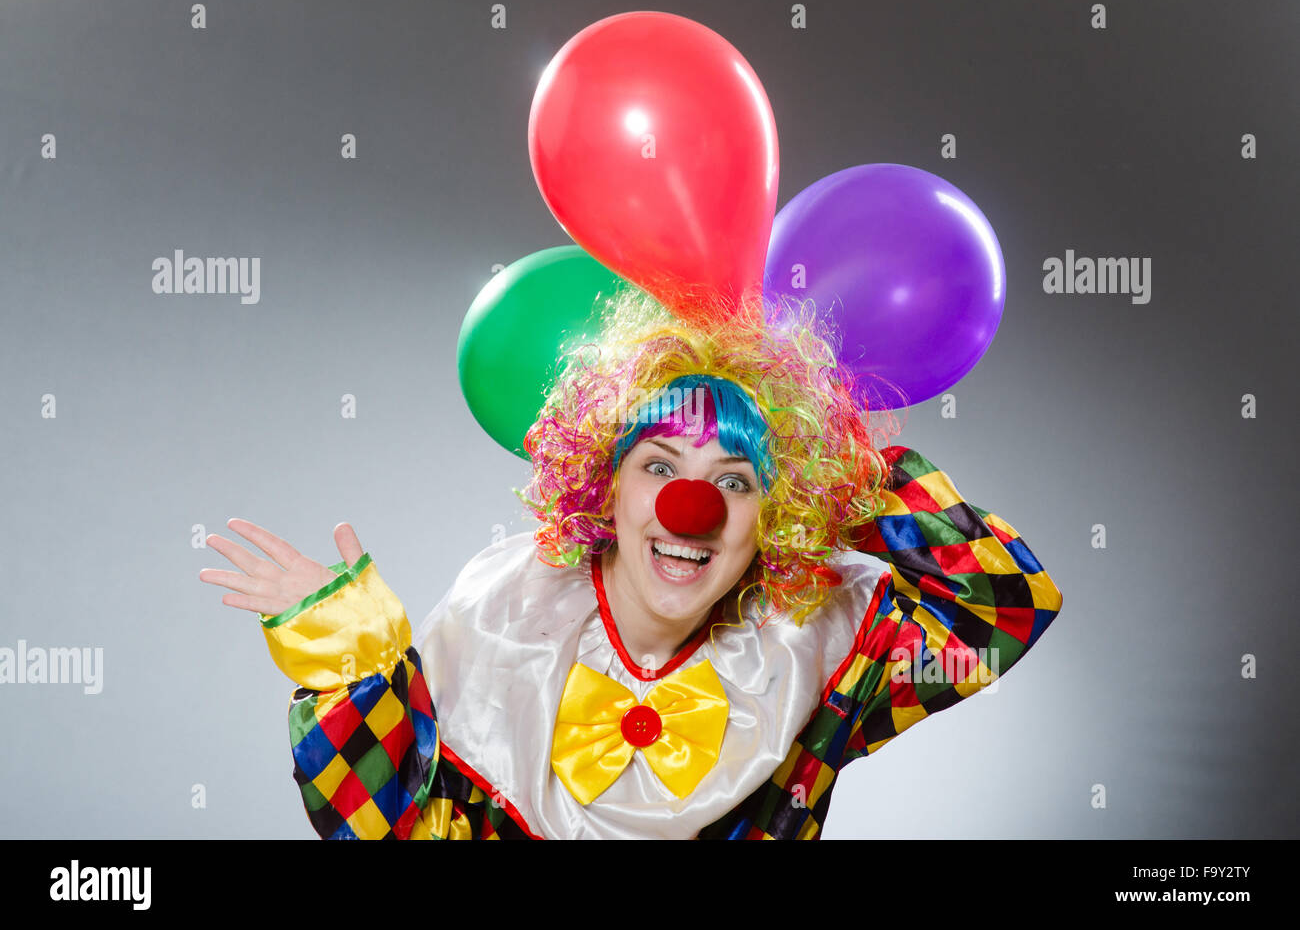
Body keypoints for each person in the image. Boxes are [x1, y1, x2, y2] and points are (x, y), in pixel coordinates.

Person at [199, 287, 1064, 839]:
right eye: (658, 466)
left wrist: (850, 472)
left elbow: (1004, 607)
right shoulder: (505, 616)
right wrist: (350, 654)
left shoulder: (822, 644)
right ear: (603, 485)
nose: (694, 507)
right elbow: (384, 830)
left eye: (734, 479)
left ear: (777, 514)